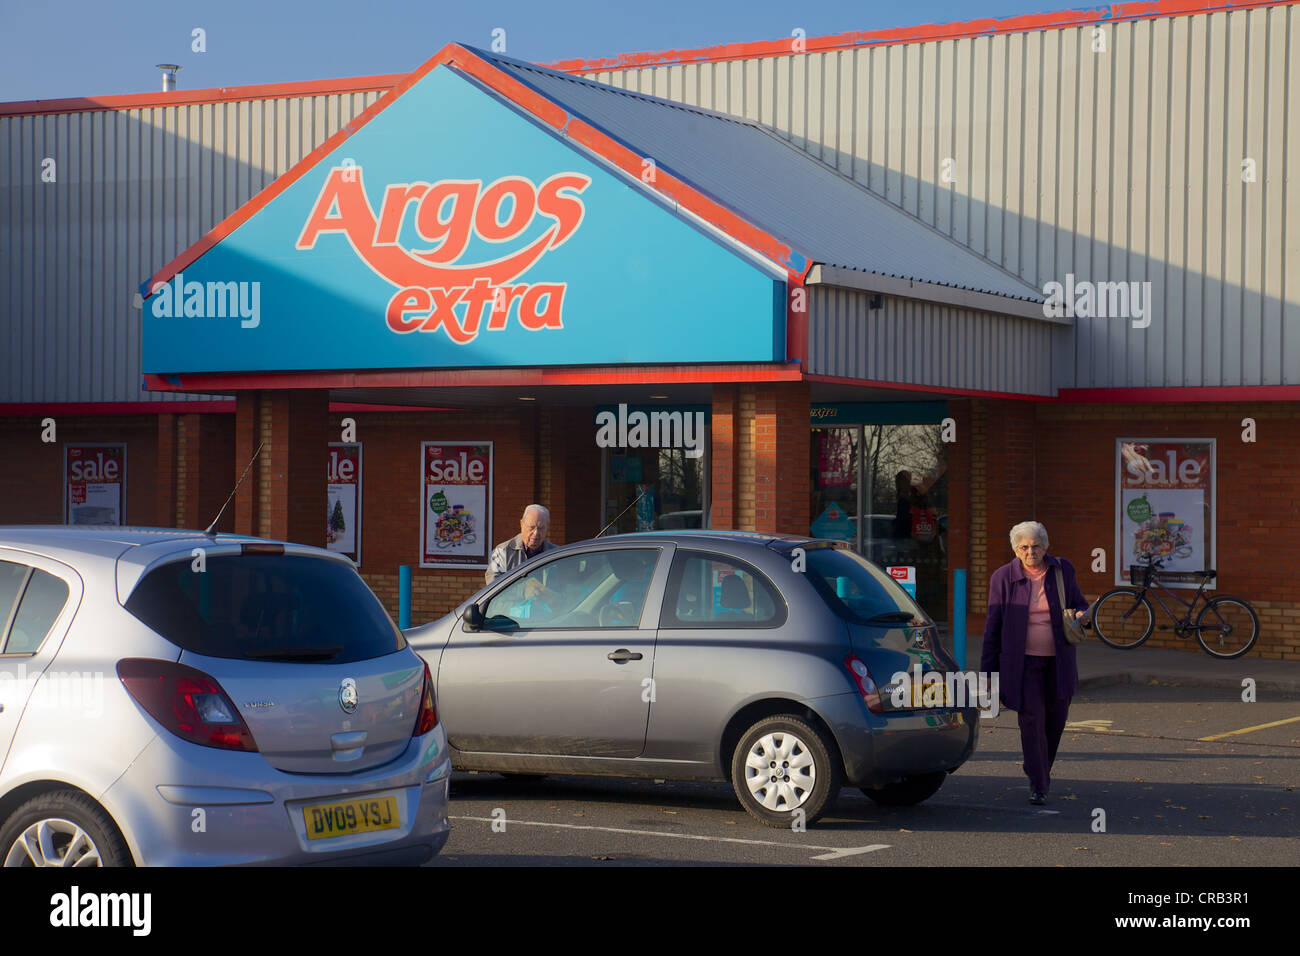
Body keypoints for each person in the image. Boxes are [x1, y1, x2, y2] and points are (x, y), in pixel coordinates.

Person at [980, 521, 1090, 805]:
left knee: (1056, 721)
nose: (1031, 551)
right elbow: (993, 628)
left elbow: (1079, 602)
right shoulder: (1002, 577)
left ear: (1046, 546)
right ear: (1016, 550)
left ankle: (1039, 769)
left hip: (1059, 661)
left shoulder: (1062, 570)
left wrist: (1082, 613)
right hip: (1021, 664)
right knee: (1031, 721)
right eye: (1024, 547)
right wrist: (987, 676)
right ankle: (1039, 784)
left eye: (1036, 545)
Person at [485, 504, 557, 585]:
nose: (536, 533)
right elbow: (493, 584)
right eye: (531, 527)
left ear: (547, 527)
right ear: (521, 524)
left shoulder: (556, 554)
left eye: (541, 528)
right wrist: (523, 591)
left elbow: (566, 586)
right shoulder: (502, 551)